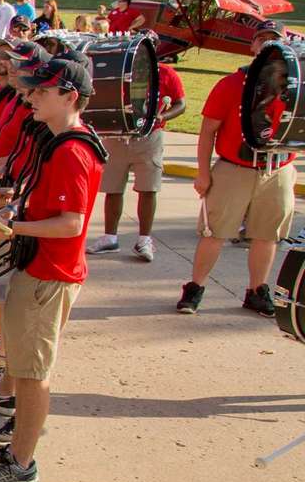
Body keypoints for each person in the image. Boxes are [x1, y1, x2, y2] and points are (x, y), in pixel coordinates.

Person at [0, 58, 105, 482]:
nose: (31, 97)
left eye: (43, 92)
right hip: (40, 268)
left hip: (49, 273)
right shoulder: (57, 141)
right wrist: (13, 201)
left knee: (33, 374)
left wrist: (9, 226)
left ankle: (22, 464)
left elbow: (72, 223)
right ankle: (16, 450)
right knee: (24, 369)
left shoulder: (73, 151)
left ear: (71, 97)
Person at [176, 23, 291, 315]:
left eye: (273, 40)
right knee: (215, 233)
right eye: (261, 39)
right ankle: (195, 287)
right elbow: (207, 132)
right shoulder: (232, 84)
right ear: (252, 46)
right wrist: (203, 173)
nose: (267, 45)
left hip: (278, 168)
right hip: (234, 167)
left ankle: (257, 290)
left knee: (267, 234)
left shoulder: (294, 86)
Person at [87, 55, 183, 263]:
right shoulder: (120, 70)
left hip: (150, 136)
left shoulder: (166, 73)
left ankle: (144, 239)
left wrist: (163, 116)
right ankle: (110, 237)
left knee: (148, 189)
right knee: (113, 189)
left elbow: (180, 103)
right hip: (118, 134)